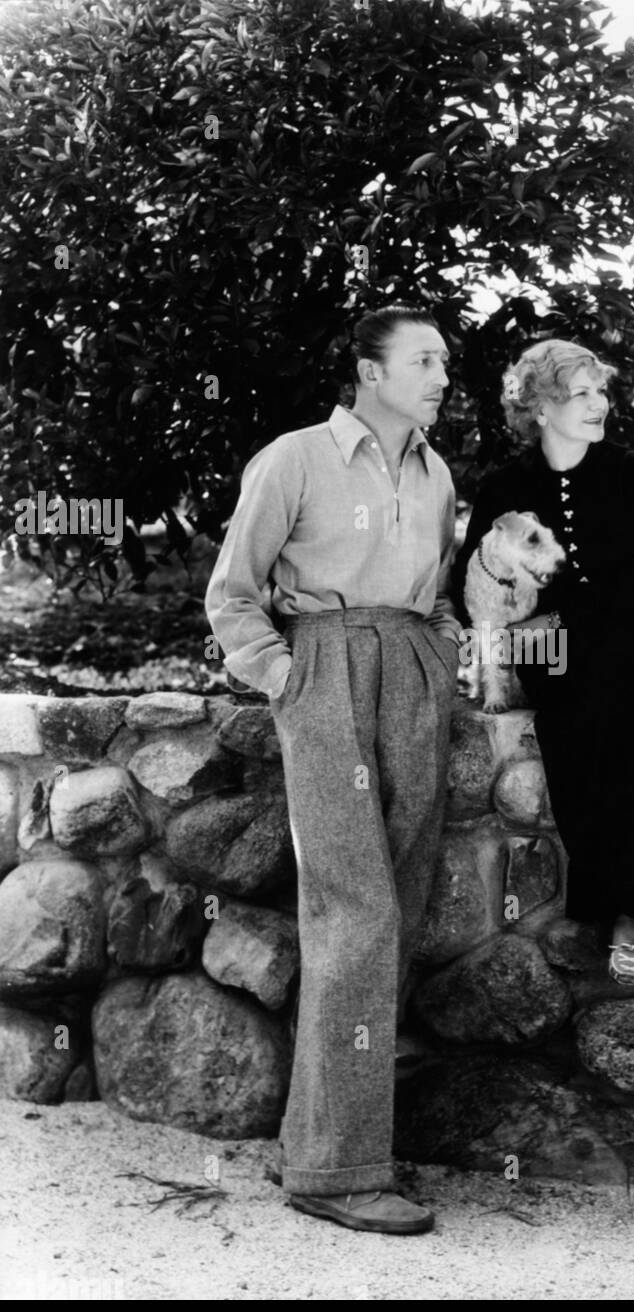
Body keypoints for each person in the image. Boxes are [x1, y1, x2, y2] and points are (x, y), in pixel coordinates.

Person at [206, 306, 461, 1235]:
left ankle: (341, 1147)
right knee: (355, 906)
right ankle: (337, 1172)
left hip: (412, 676)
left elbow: (437, 594)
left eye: (443, 361)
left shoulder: (436, 474)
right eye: (423, 360)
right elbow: (233, 593)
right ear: (369, 371)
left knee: (403, 896)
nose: (441, 375)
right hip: (325, 669)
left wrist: (440, 661)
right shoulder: (295, 457)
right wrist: (287, 678)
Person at [452, 339, 634, 987]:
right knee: (582, 721)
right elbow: (473, 585)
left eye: (602, 391)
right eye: (582, 393)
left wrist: (565, 607)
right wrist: (554, 615)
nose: (601, 404)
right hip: (554, 654)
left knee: (593, 718)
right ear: (539, 407)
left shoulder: (633, 471)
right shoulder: (505, 489)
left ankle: (623, 917)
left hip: (632, 646)